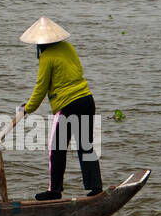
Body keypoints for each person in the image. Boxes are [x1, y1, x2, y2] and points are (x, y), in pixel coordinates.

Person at [19, 16, 102, 200]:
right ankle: (95, 187)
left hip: (68, 105)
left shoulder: (46, 57)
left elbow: (41, 88)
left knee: (56, 148)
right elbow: (76, 72)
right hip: (87, 100)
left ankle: (54, 191)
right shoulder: (68, 47)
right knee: (85, 147)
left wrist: (27, 109)